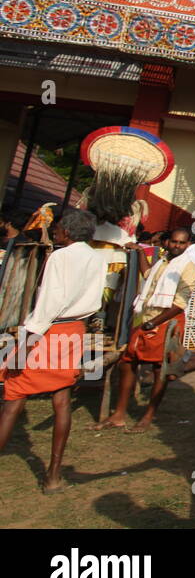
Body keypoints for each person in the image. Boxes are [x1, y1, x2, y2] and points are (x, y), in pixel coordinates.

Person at [0, 209, 105, 493]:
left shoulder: (60, 256)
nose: (55, 232)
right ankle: (54, 476)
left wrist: (25, 347)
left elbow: (49, 302)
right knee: (61, 397)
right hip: (74, 332)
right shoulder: (98, 258)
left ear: (67, 232)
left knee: (14, 394)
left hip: (49, 330)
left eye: (58, 228)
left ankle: (52, 475)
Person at [92, 227, 195, 432]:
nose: (176, 246)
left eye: (181, 243)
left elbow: (180, 303)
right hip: (148, 316)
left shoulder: (188, 267)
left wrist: (156, 322)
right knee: (128, 360)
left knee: (160, 368)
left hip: (167, 320)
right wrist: (140, 253)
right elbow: (148, 274)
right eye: (174, 242)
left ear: (187, 245)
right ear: (168, 242)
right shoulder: (163, 261)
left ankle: (148, 416)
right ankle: (119, 414)